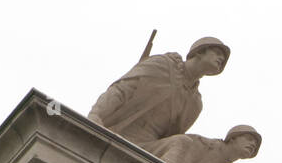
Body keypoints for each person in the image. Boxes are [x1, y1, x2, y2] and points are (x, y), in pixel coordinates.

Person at [87, 37, 230, 146]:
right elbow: (121, 90)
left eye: (223, 60)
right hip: (118, 129)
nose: (221, 59)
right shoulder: (162, 64)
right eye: (217, 53)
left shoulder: (195, 104)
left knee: (184, 143)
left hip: (149, 149)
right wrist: (95, 116)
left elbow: (172, 138)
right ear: (199, 52)